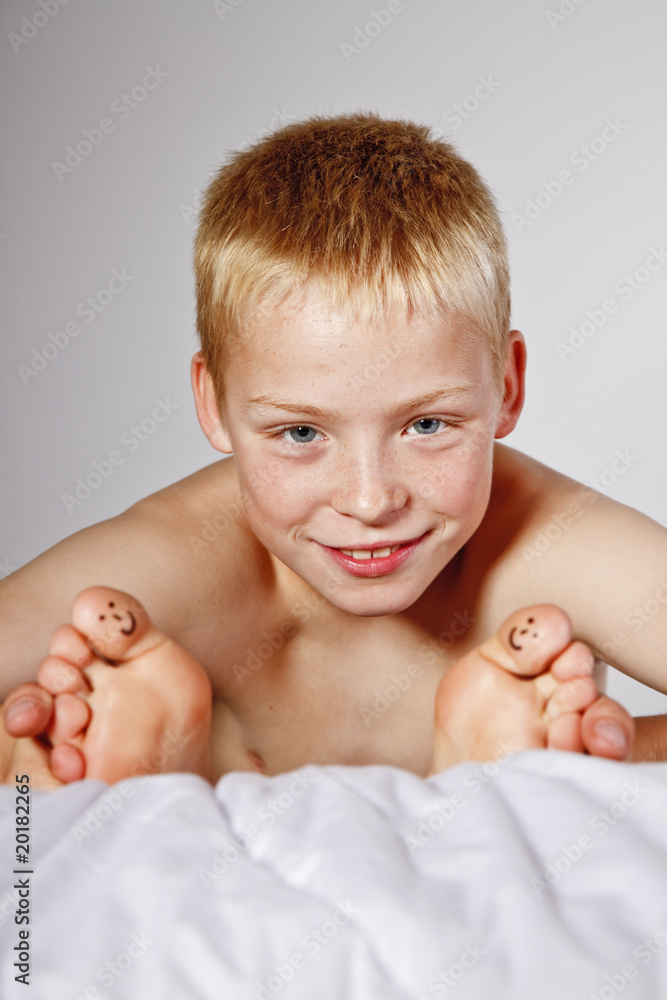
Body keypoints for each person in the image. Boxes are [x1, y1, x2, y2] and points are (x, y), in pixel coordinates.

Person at [2, 112, 665, 789]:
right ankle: (162, 773)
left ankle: (495, 782)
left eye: (426, 425)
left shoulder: (547, 543)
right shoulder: (186, 560)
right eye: (301, 434)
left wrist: (600, 758)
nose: (370, 500)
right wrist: (22, 760)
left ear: (506, 385)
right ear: (213, 404)